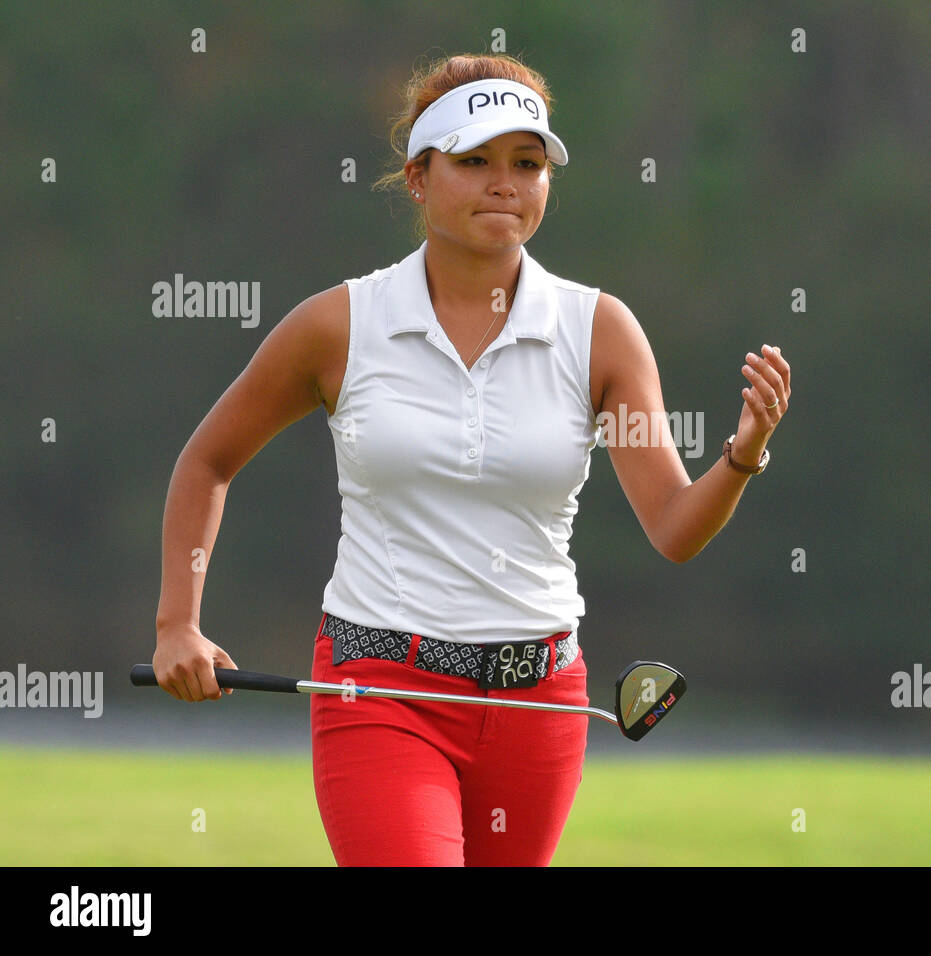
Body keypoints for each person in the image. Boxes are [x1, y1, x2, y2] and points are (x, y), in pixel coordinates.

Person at [151, 53, 791, 866]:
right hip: (380, 685)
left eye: (526, 164)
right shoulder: (340, 325)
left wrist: (742, 454)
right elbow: (208, 460)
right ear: (418, 177)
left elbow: (672, 526)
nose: (505, 183)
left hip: (541, 700)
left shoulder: (599, 331)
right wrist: (179, 623)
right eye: (474, 161)